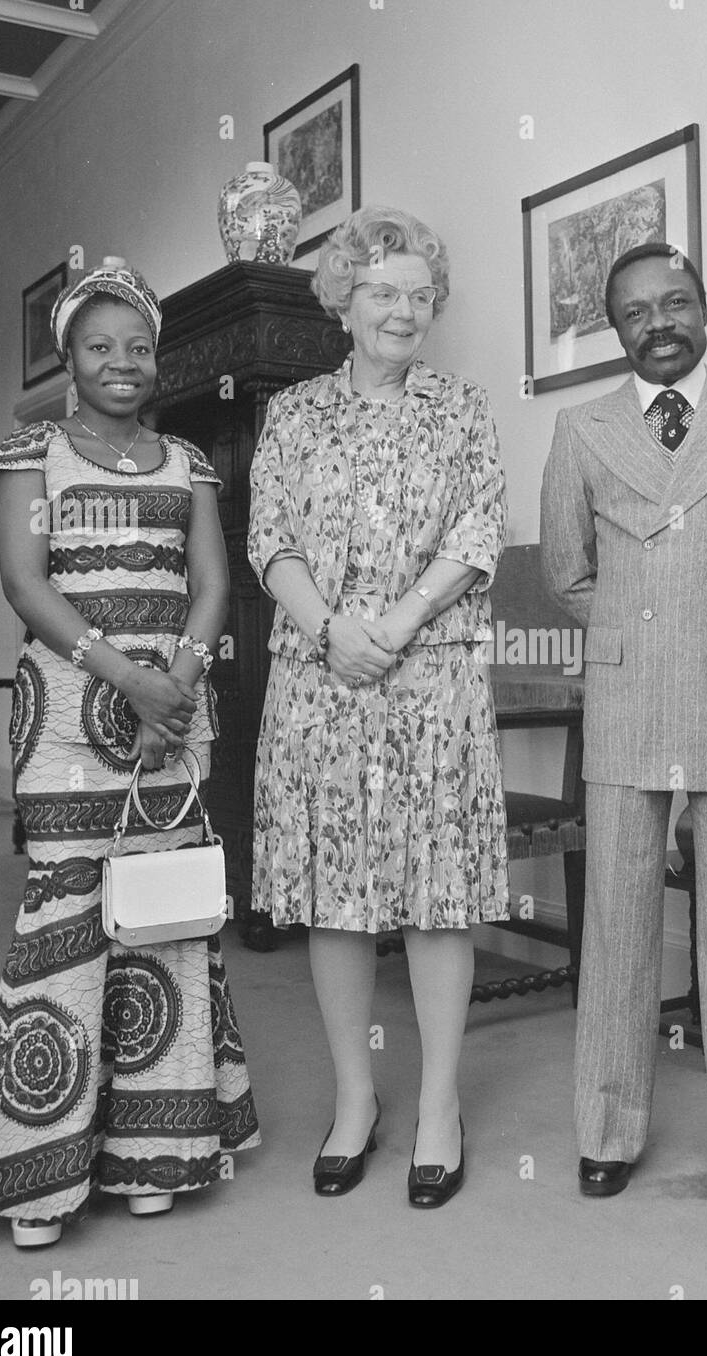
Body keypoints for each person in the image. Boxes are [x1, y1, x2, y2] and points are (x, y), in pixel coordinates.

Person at [0, 259, 259, 1248]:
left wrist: (182, 668)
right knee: (68, 914)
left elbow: (212, 581)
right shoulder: (30, 451)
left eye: (138, 348)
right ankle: (34, 1176)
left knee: (161, 918)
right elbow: (25, 582)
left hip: (174, 712)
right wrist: (126, 677)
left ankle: (153, 1154)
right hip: (73, 715)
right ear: (68, 358)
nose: (122, 363)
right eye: (100, 347)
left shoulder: (184, 462)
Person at [248, 206, 508, 1210]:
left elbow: (480, 528)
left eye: (418, 293)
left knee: (437, 886)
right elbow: (271, 534)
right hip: (318, 677)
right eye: (382, 291)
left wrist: (394, 622)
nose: (403, 309)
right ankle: (354, 1099)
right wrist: (328, 630)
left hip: (429, 667)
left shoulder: (463, 406)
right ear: (343, 302)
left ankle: (437, 1105)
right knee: (333, 891)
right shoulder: (293, 414)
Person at [541, 243, 707, 1200]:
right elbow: (567, 571)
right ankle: (608, 1127)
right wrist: (642, 630)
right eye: (638, 311)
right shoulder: (580, 427)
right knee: (617, 918)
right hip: (625, 686)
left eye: (677, 302)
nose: (660, 322)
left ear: (703, 307)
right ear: (616, 328)